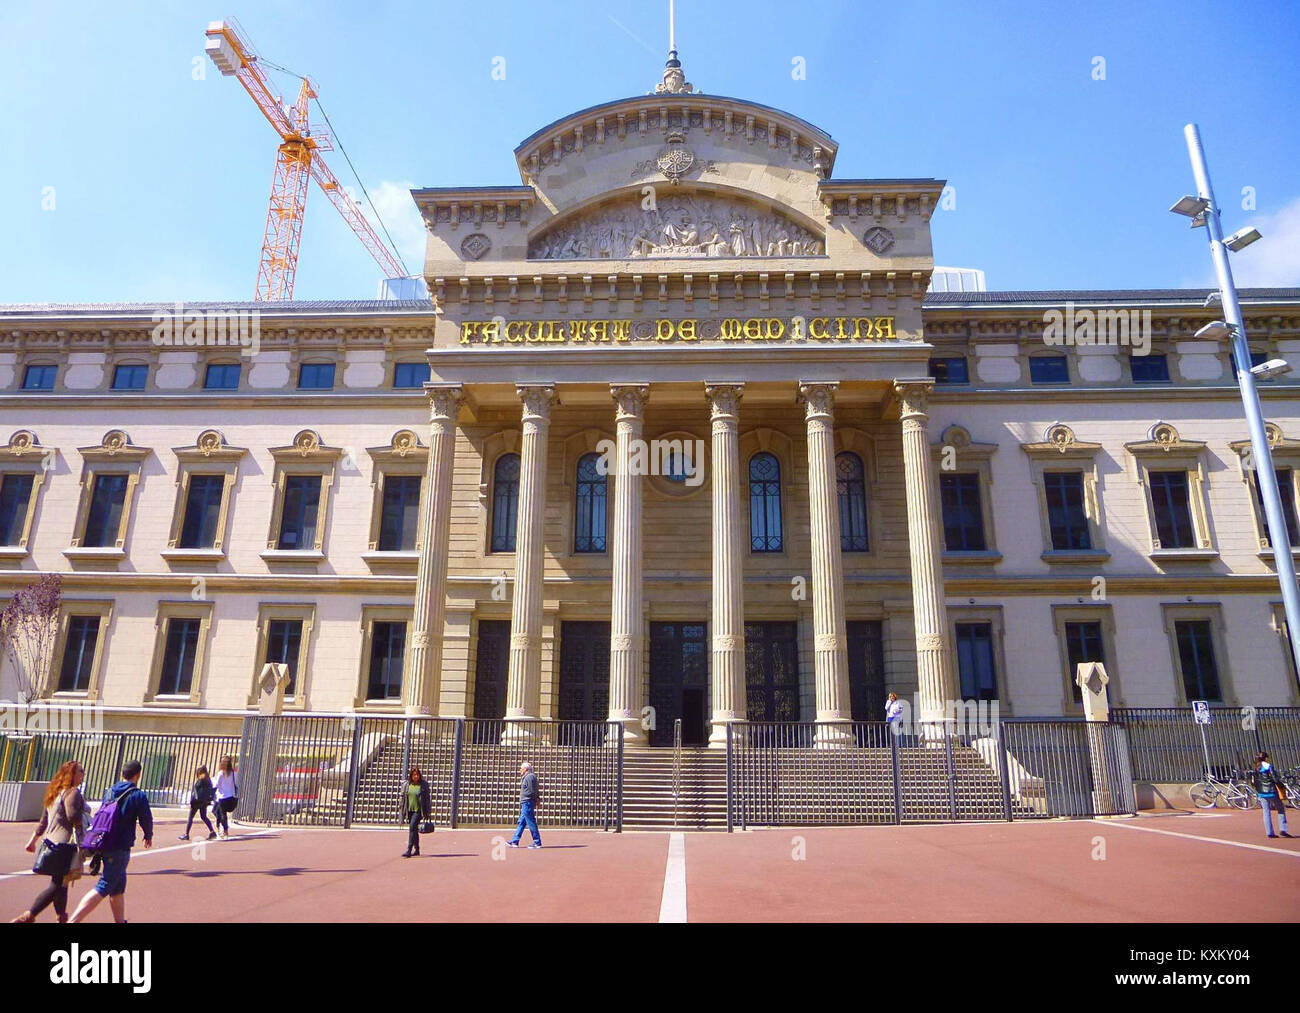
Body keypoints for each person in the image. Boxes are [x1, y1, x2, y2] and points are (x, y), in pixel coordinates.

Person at [69, 759, 153, 924]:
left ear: (122, 774)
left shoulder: (110, 791)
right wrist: (148, 834)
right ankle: (74, 920)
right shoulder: (137, 794)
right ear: (137, 775)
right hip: (120, 844)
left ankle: (119, 921)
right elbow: (146, 818)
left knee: (118, 885)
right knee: (105, 884)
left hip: (104, 840)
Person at [12, 761, 86, 923]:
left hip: (51, 842)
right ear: (72, 775)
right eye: (80, 771)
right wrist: (85, 818)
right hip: (65, 844)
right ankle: (29, 915)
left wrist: (32, 841)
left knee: (60, 881)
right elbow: (72, 816)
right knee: (57, 885)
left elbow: (43, 821)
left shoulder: (55, 793)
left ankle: (61, 916)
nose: (83, 775)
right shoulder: (73, 793)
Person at [1253, 751, 1292, 839]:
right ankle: (1283, 829)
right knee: (1281, 809)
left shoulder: (1256, 768)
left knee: (1266, 812)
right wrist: (1282, 787)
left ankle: (1270, 833)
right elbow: (1275, 779)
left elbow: (1254, 782)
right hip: (1272, 791)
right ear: (1266, 758)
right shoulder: (1269, 766)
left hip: (1262, 793)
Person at [507, 761, 542, 849]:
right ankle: (515, 841)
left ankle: (537, 842)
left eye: (521, 768)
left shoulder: (529, 777)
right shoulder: (529, 777)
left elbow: (532, 790)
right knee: (521, 822)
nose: (520, 770)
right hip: (526, 802)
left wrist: (536, 799)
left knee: (531, 822)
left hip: (527, 802)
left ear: (525, 769)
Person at [178, 765, 216, 841]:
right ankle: (212, 831)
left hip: (197, 802)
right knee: (204, 817)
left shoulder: (200, 780)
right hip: (204, 801)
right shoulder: (208, 780)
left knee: (190, 817)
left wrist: (191, 802)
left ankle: (186, 834)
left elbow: (195, 792)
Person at [400, 766, 431, 858]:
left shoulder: (423, 785)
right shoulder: (407, 784)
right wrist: (401, 808)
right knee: (414, 830)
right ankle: (417, 848)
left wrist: (428, 811)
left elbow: (427, 799)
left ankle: (409, 849)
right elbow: (403, 797)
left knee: (412, 827)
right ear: (411, 776)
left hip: (419, 810)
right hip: (409, 809)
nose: (416, 777)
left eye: (417, 775)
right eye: (414, 775)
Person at [212, 755, 239, 839]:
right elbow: (237, 784)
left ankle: (224, 829)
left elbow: (216, 784)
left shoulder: (220, 774)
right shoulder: (234, 774)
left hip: (222, 797)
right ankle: (220, 827)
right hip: (231, 796)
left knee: (221, 814)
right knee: (217, 811)